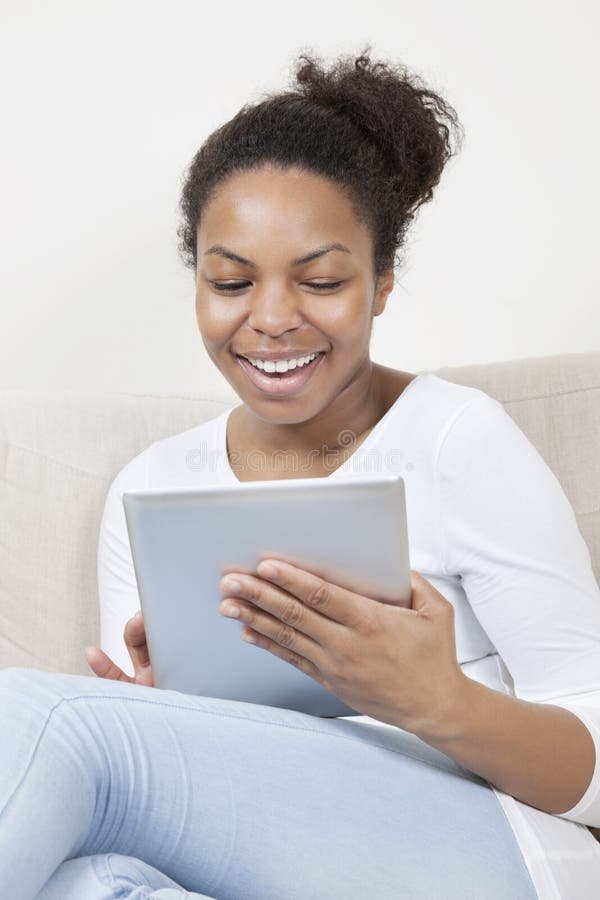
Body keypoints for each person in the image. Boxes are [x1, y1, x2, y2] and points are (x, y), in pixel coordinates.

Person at [1, 47, 600, 900]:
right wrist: (163, 714)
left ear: (382, 283)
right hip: (272, 859)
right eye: (231, 281)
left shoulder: (457, 438)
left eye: (319, 280)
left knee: (37, 718)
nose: (272, 319)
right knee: (89, 882)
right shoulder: (151, 485)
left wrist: (438, 701)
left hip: (489, 853)